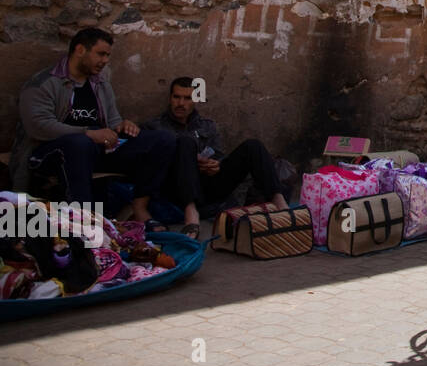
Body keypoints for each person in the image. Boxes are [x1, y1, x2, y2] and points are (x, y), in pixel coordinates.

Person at [12, 27, 192, 232]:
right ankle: (83, 221)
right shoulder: (44, 83)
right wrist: (88, 133)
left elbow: (112, 120)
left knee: (163, 140)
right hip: (51, 153)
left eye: (108, 55)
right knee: (79, 144)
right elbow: (39, 127)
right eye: (101, 54)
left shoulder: (100, 83)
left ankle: (140, 209)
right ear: (80, 50)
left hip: (98, 149)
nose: (105, 60)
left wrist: (123, 125)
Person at [142, 77, 288, 219]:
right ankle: (191, 212)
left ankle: (280, 202)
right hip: (179, 190)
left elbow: (218, 156)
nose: (181, 103)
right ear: (170, 98)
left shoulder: (207, 125)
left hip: (208, 186)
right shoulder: (155, 127)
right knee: (185, 142)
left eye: (187, 98)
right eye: (176, 97)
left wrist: (215, 165)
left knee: (253, 146)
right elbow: (151, 167)